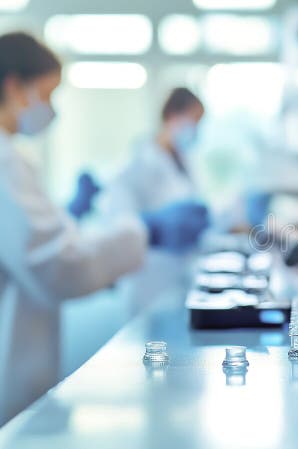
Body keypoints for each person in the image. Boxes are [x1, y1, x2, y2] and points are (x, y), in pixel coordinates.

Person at [0, 32, 209, 425]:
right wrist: (148, 231)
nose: (51, 108)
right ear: (14, 86)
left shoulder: (12, 158)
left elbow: (38, 246)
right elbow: (59, 266)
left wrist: (70, 216)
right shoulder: (5, 161)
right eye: (46, 94)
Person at [99, 87, 208, 313]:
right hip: (148, 281)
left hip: (181, 277)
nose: (196, 130)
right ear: (172, 116)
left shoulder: (184, 161)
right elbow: (116, 224)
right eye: (193, 121)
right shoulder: (137, 164)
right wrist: (152, 227)